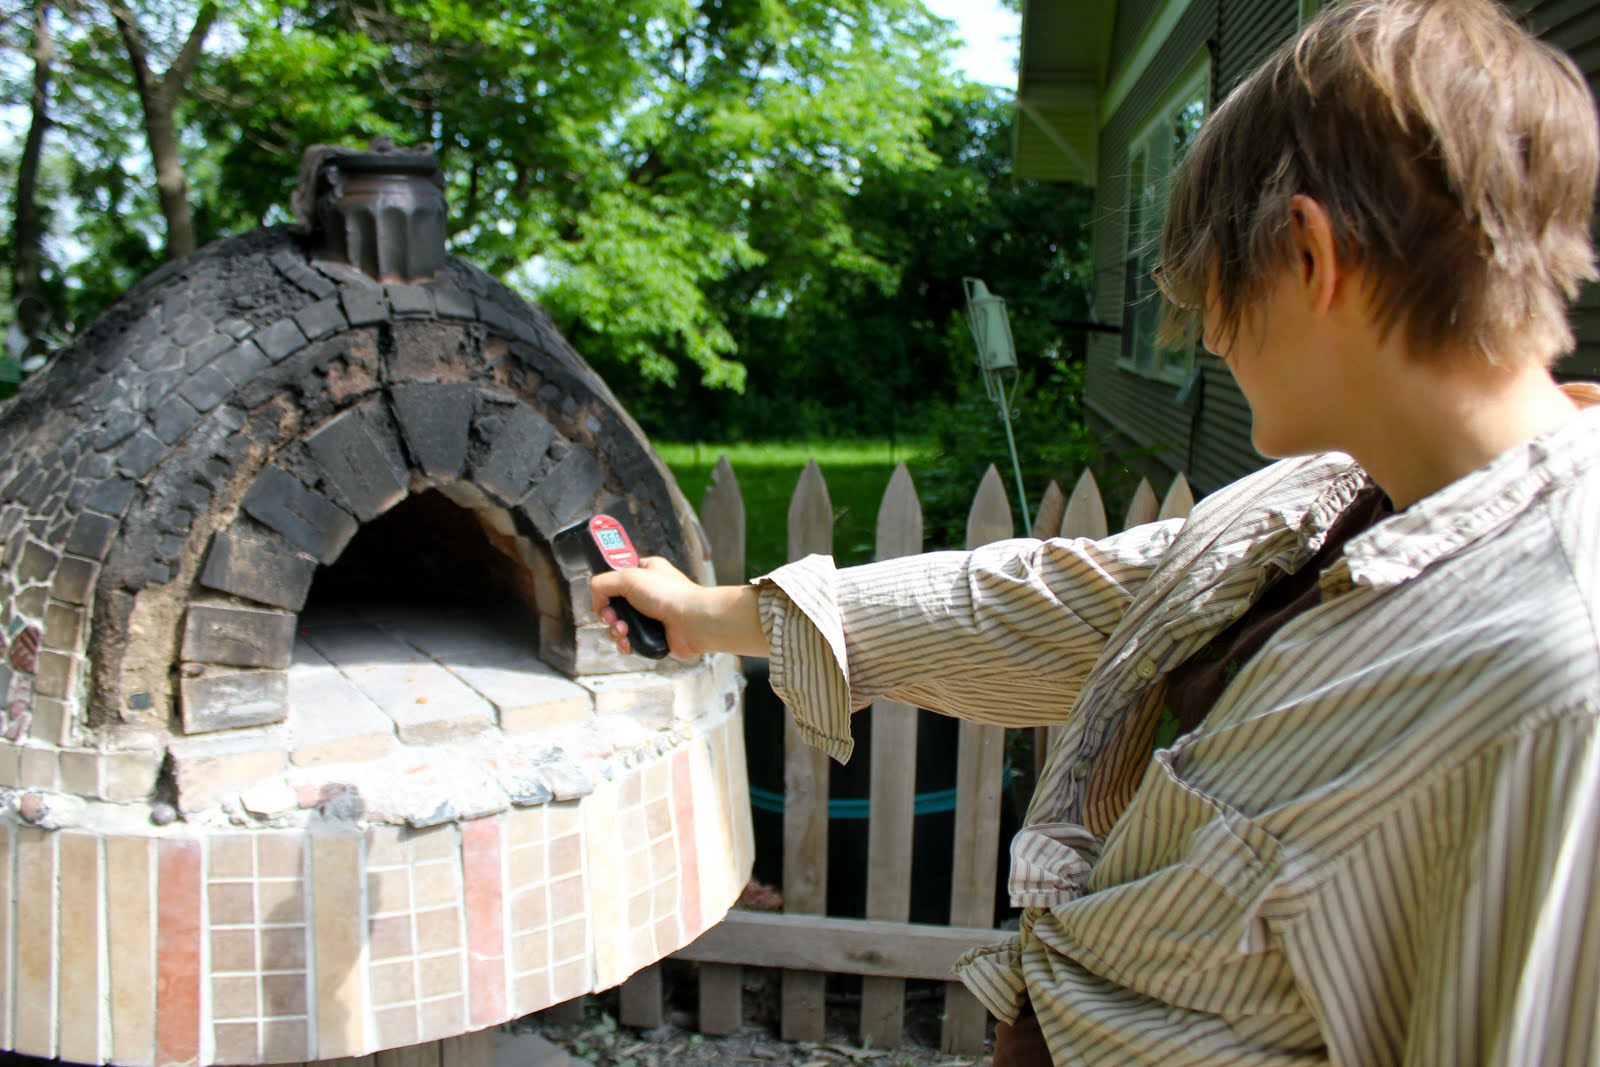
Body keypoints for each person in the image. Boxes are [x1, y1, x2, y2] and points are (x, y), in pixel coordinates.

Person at [592, 0, 1600, 1062]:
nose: (1207, 335)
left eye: (1208, 291)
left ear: (1308, 257)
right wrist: (703, 615)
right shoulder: (1323, 497)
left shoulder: (1552, 677)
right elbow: (1047, 604)